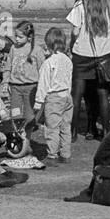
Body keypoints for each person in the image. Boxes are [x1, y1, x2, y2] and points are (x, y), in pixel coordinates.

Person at [66, 0, 110, 141]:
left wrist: (71, 45)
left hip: (83, 54)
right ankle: (106, 132)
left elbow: (75, 32)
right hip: (105, 53)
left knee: (76, 95)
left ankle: (72, 132)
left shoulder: (80, 5)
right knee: (103, 94)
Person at [34, 27, 73, 163]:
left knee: (52, 128)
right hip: (67, 96)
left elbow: (43, 84)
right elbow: (69, 80)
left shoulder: (48, 63)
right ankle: (65, 154)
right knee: (65, 126)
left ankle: (52, 155)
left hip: (54, 98)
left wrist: (38, 102)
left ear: (48, 44)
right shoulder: (68, 60)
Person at [2, 20, 45, 127]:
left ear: (29, 37)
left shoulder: (37, 50)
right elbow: (8, 67)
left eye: (20, 37)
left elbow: (42, 70)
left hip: (31, 88)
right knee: (15, 113)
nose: (16, 39)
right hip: (15, 88)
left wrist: (42, 87)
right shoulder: (13, 48)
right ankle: (16, 136)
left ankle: (26, 138)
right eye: (16, 36)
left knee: (28, 115)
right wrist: (5, 82)